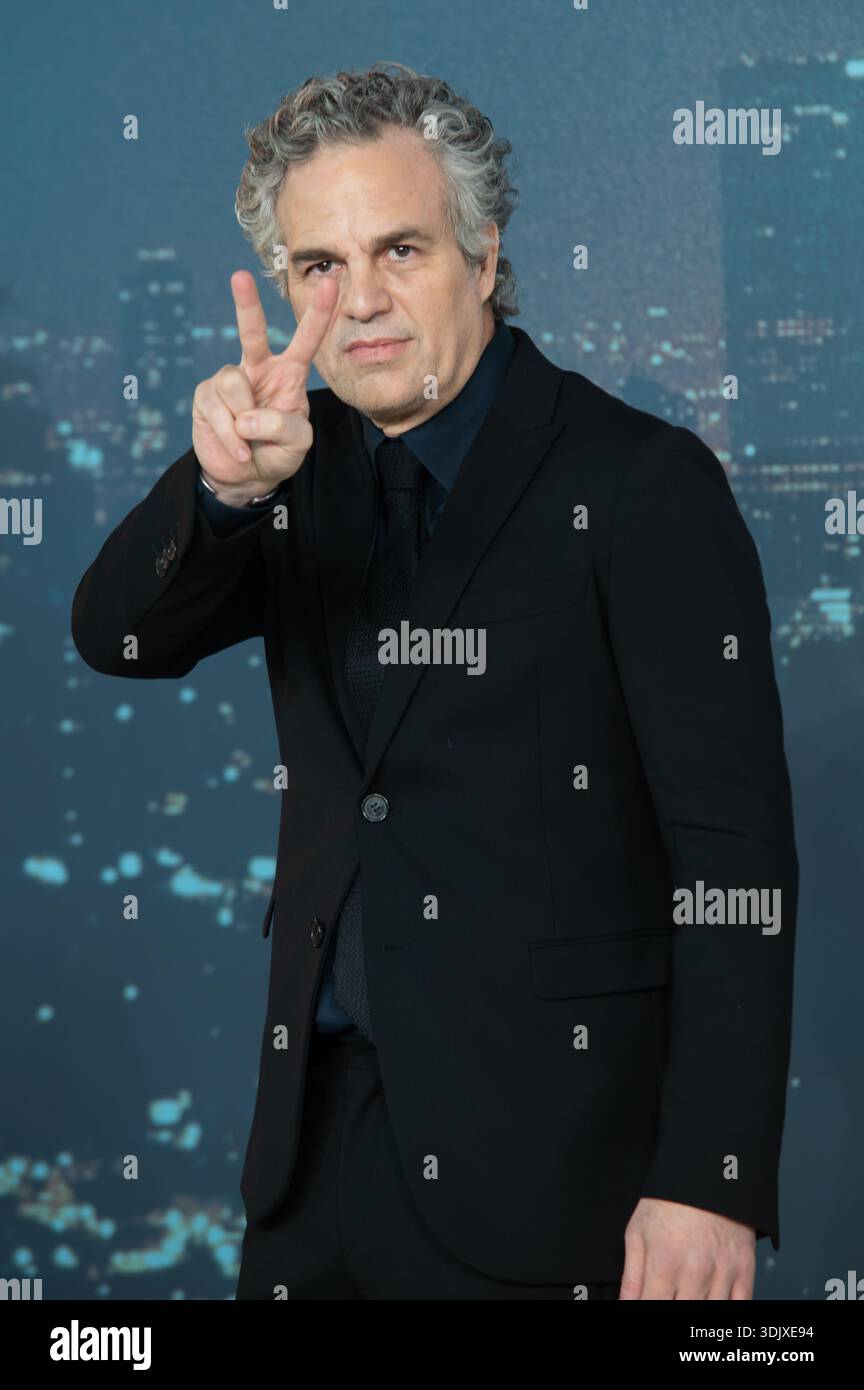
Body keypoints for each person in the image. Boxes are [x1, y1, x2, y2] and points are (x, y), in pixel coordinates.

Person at [71, 62, 798, 1300]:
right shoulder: (286, 469)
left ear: (482, 247)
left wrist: (711, 1178)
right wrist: (227, 490)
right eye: (319, 267)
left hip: (559, 1168)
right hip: (308, 1165)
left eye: (399, 248)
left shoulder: (640, 483)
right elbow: (117, 637)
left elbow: (735, 858)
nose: (360, 302)